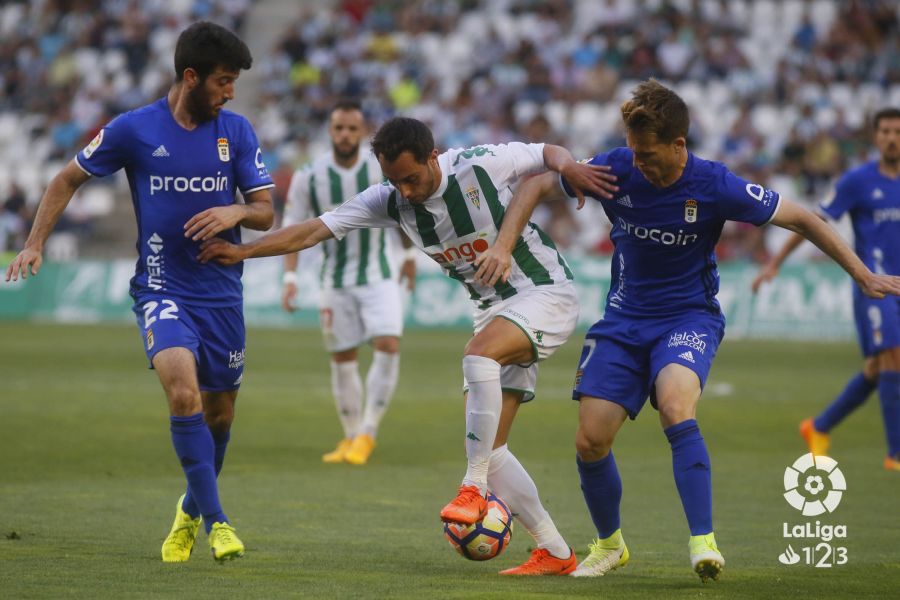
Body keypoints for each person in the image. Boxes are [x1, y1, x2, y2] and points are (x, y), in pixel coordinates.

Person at [472, 80, 900, 582]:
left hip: (688, 318)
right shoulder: (616, 167)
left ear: (679, 145)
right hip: (624, 321)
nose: (640, 163)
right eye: (634, 152)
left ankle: (703, 541)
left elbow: (804, 218)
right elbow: (536, 184)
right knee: (590, 441)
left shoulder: (715, 184)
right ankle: (610, 546)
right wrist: (504, 244)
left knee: (676, 404)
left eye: (648, 154)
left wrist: (861, 274)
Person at [199, 116, 618, 575]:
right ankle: (555, 550)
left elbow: (545, 154)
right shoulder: (390, 200)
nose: (406, 191)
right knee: (492, 447)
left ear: (433, 156)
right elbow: (311, 230)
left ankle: (472, 486)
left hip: (544, 293)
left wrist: (570, 166)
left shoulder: (479, 165)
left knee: (478, 355)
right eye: (394, 181)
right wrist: (242, 253)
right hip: (494, 311)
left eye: (412, 178)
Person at [5, 22, 274, 563]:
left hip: (221, 294)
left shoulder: (237, 131)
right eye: (223, 81)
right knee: (182, 394)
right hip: (160, 287)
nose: (231, 91)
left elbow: (266, 212)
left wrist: (237, 209)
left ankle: (190, 512)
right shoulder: (133, 129)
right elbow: (65, 181)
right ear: (191, 77)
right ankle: (219, 522)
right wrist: (34, 243)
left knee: (220, 416)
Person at [752, 108, 900, 470]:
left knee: (876, 369)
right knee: (894, 357)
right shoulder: (857, 181)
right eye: (884, 131)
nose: (891, 138)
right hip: (875, 287)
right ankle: (896, 454)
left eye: (897, 131)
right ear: (875, 136)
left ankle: (818, 427)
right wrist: (775, 263)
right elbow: (811, 223)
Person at [282, 100, 416, 465]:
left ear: (362, 133)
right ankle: (350, 436)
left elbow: (402, 213)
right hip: (335, 281)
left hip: (379, 275)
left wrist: (407, 258)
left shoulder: (379, 172)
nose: (345, 135)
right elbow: (292, 227)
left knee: (388, 343)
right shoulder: (309, 175)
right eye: (339, 128)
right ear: (330, 131)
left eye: (352, 129)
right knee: (343, 357)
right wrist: (290, 276)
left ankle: (368, 432)